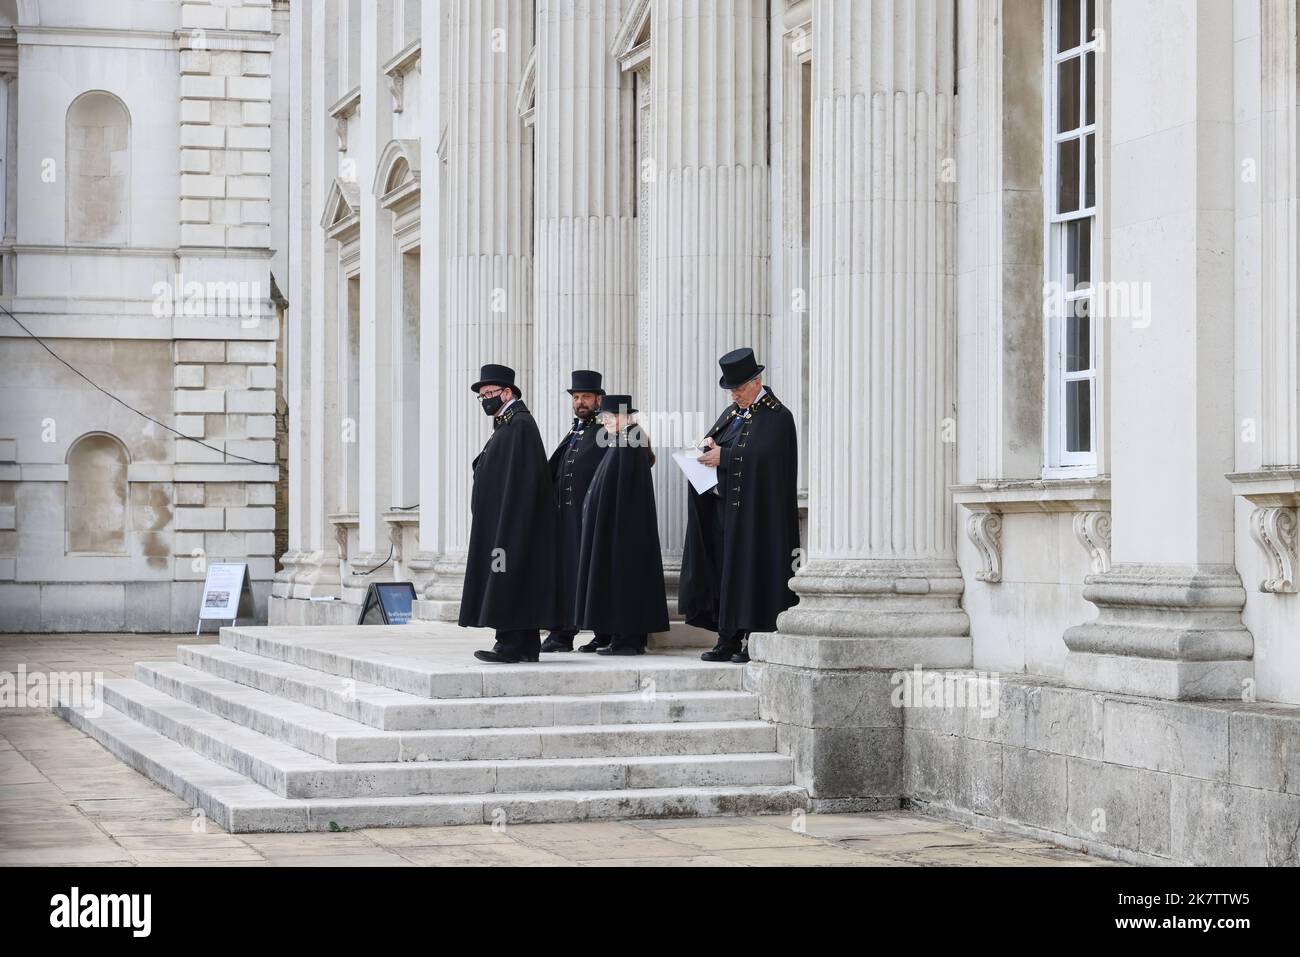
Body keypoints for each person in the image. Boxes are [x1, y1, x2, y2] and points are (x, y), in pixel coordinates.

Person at [679, 348, 800, 663]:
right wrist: (707, 447)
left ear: (757, 381)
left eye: (740, 388)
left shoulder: (778, 416)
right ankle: (727, 637)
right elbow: (717, 442)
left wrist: (726, 457)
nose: (735, 395)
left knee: (752, 573)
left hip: (758, 516)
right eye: (731, 390)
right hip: (725, 510)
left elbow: (769, 462)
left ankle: (753, 636)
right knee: (725, 573)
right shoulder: (732, 412)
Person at [460, 363, 559, 664]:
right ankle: (527, 643)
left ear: (507, 392)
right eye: (482, 395)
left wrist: (509, 523)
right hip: (502, 522)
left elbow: (524, 482)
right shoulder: (508, 424)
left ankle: (509, 644)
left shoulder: (519, 425)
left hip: (511, 525)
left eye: (490, 393)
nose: (485, 399)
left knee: (508, 577)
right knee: (514, 577)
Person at [573, 394, 669, 656]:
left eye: (609, 416)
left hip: (624, 529)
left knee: (626, 579)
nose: (603, 421)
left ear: (625, 416)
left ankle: (627, 640)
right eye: (603, 416)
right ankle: (619, 636)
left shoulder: (630, 440)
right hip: (618, 527)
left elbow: (625, 491)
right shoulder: (623, 440)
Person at [541, 371, 611, 654]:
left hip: (591, 517)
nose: (580, 402)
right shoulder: (575, 430)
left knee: (594, 571)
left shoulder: (607, 431)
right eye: (576, 397)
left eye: (585, 396)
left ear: (598, 399)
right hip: (565, 519)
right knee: (567, 575)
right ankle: (563, 633)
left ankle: (603, 631)